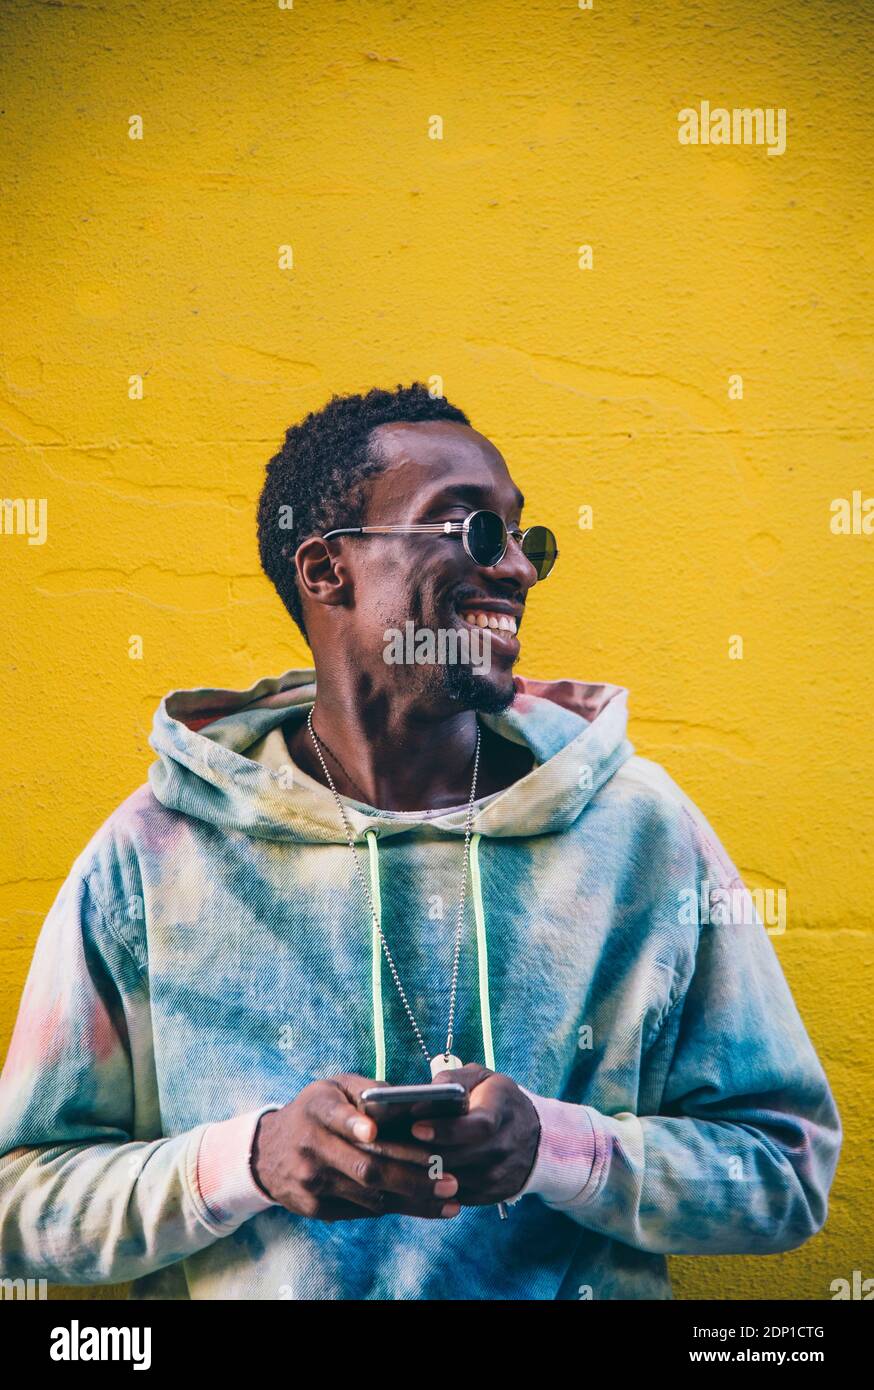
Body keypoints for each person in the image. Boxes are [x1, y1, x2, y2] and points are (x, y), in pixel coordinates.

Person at [0, 383, 841, 1300]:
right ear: (327, 571)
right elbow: (19, 1206)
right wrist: (247, 1161)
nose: (516, 568)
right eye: (473, 529)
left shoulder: (639, 832)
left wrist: (561, 1151)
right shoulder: (154, 854)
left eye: (526, 539)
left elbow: (785, 1174)